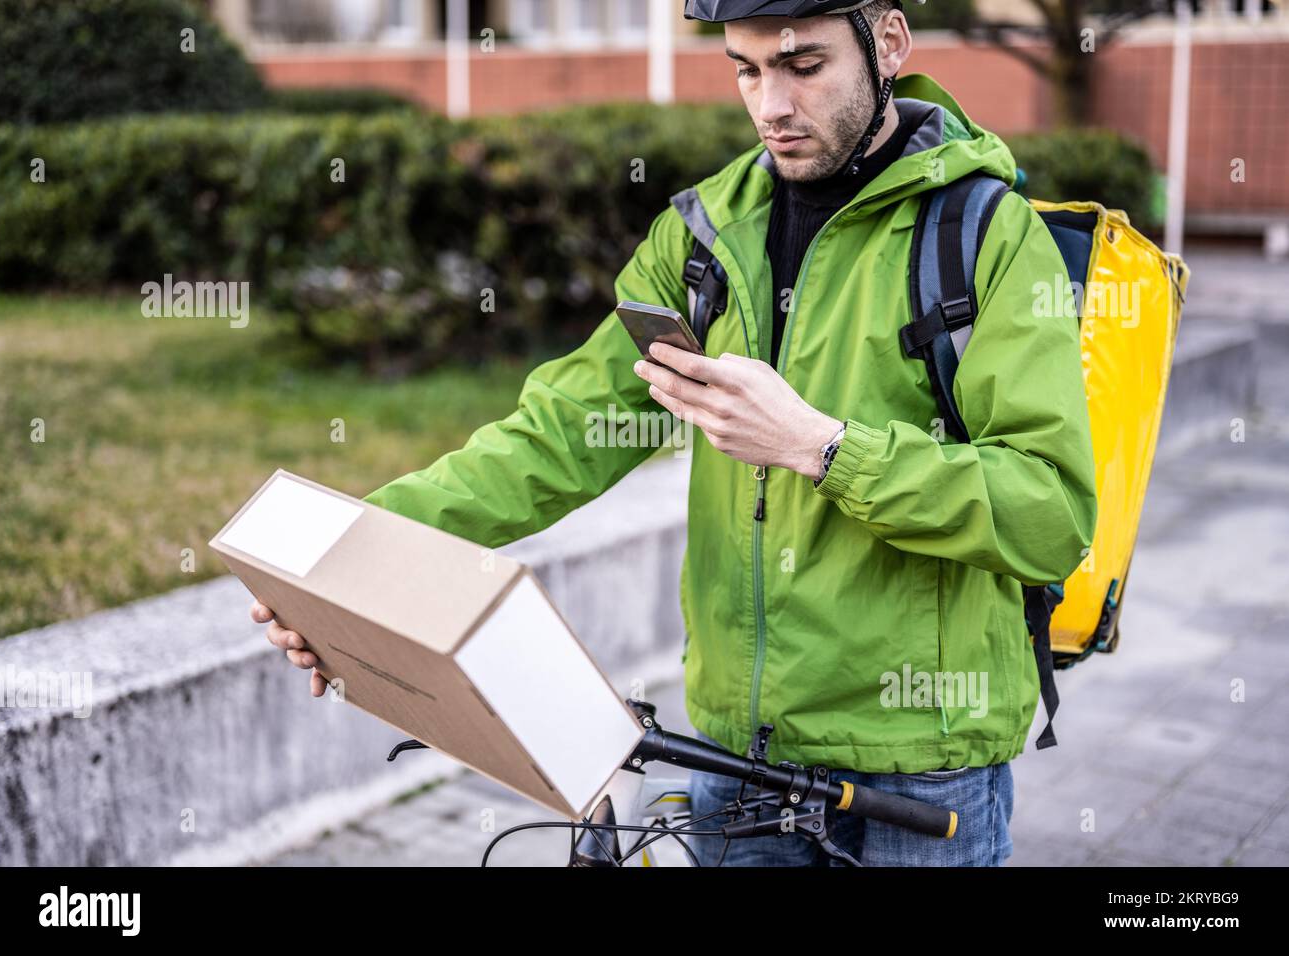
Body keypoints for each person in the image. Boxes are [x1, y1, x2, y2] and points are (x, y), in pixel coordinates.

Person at [252, 0, 1096, 866]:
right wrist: (356, 552)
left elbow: (1050, 514)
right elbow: (559, 434)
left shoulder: (985, 235)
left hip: (922, 775)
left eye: (803, 67)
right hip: (737, 760)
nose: (771, 103)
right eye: (746, 68)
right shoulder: (703, 237)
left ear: (886, 44)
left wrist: (822, 447)